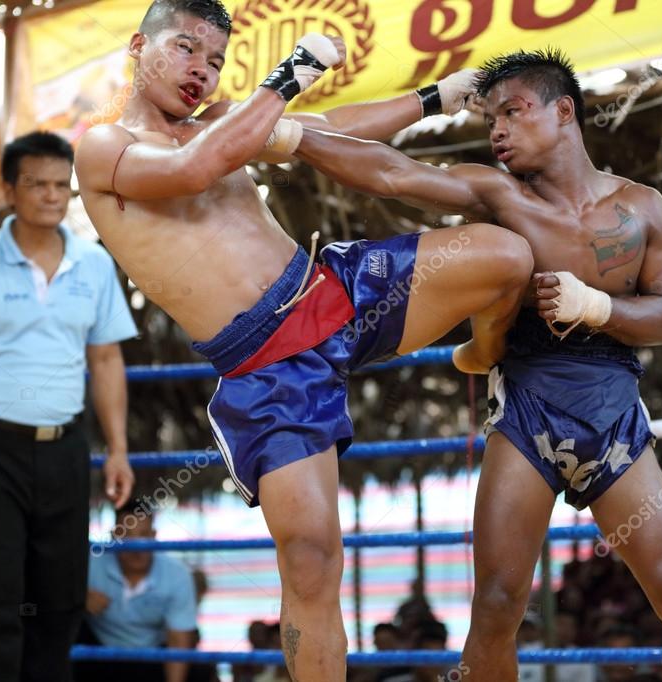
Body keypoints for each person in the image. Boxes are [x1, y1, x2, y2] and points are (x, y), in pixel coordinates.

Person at [74, 1, 535, 679]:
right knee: (313, 560)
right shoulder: (103, 147)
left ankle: (486, 353)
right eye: (185, 49)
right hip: (268, 365)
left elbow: (332, 131)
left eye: (214, 59)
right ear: (140, 46)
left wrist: (435, 97)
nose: (201, 70)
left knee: (506, 255)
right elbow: (191, 171)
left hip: (335, 291)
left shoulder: (226, 121)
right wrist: (288, 77)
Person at [290, 49, 662, 680]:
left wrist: (597, 306)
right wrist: (290, 136)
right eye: (490, 118)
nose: (498, 129)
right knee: (498, 606)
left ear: (564, 111)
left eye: (514, 111)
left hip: (613, 412)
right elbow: (390, 172)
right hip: (526, 410)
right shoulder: (497, 194)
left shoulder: (642, 208)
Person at [0, 131, 138, 682]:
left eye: (62, 185)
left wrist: (118, 450)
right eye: (37, 184)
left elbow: (106, 359)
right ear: (9, 189)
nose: (52, 195)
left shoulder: (94, 264)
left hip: (65, 449)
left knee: (61, 597)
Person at [77, 501, 198, 682]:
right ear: (114, 536)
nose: (136, 547)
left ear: (154, 536)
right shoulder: (89, 564)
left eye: (143, 535)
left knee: (198, 667)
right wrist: (79, 598)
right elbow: (49, 596)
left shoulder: (176, 575)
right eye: (127, 535)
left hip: (152, 657)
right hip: (99, 655)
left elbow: (178, 641)